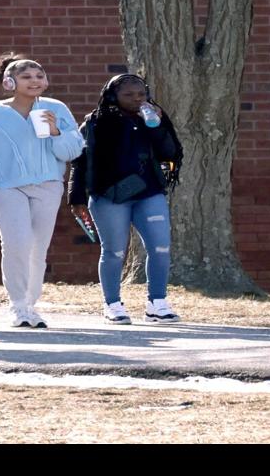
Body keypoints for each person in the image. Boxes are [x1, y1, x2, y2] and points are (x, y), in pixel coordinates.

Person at [0, 53, 84, 327]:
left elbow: (72, 151)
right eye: (26, 77)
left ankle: (31, 304)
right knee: (17, 243)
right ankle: (18, 305)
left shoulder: (56, 109)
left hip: (48, 186)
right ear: (9, 82)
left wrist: (55, 131)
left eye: (39, 76)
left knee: (37, 248)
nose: (34, 81)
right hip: (6, 188)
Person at [68, 73, 185, 324]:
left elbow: (170, 153)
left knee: (161, 247)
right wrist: (76, 198)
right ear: (113, 96)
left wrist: (157, 126)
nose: (136, 99)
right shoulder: (95, 122)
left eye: (141, 94)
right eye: (128, 95)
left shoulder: (153, 119)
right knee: (114, 252)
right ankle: (113, 304)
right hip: (109, 195)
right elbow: (80, 163)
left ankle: (157, 303)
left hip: (148, 192)